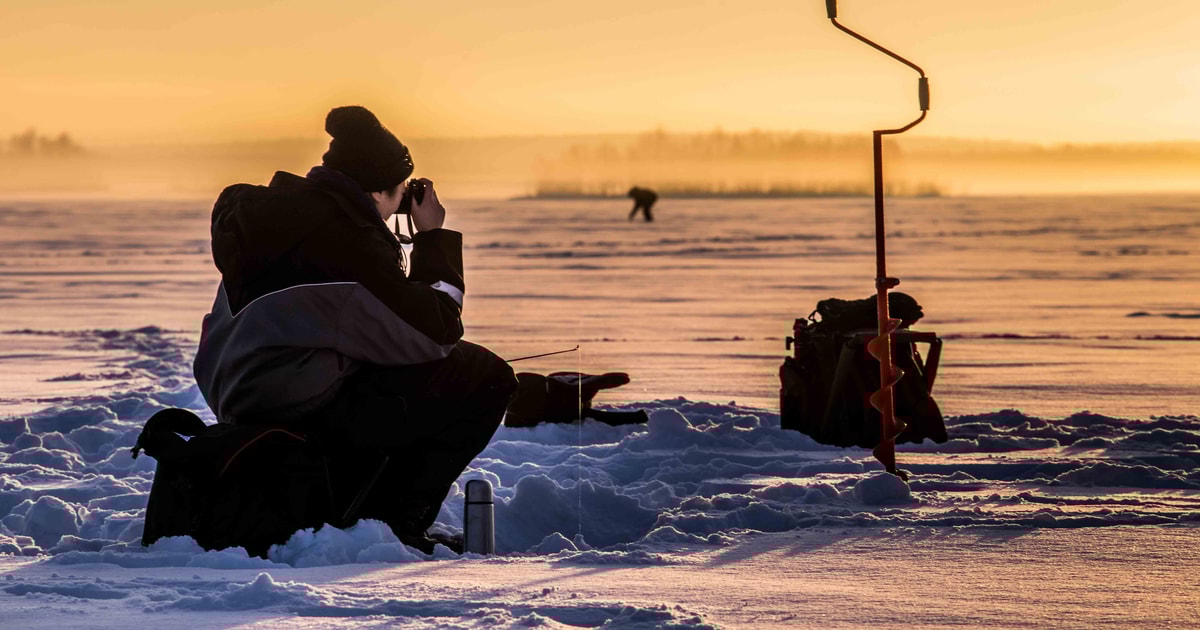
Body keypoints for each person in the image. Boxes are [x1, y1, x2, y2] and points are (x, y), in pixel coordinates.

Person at [192, 105, 517, 552]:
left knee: (389, 367)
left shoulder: (279, 218)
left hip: (238, 392)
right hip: (294, 403)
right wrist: (432, 238)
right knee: (483, 375)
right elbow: (435, 334)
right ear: (379, 190)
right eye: (402, 189)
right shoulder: (348, 239)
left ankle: (353, 501)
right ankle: (390, 525)